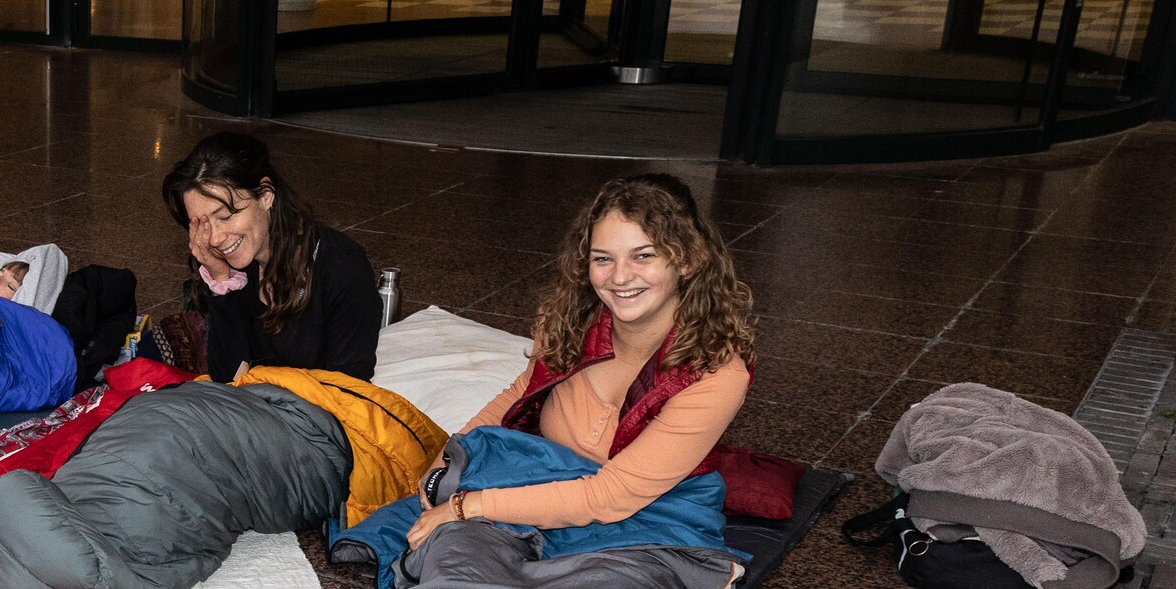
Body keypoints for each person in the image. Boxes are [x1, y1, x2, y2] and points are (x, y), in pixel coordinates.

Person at [404, 172, 755, 549]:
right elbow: (518, 395)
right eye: (603, 259)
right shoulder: (566, 323)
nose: (620, 277)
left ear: (686, 261)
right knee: (398, 532)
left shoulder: (717, 374)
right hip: (543, 482)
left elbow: (612, 495)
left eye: (644, 256)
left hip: (648, 518)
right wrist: (446, 462)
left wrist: (470, 506)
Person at [162, 132, 382, 383]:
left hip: (311, 415)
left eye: (224, 216)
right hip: (254, 410)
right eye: (202, 224)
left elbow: (347, 393)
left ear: (266, 195)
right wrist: (221, 281)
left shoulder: (341, 269)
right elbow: (226, 378)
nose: (215, 239)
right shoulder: (240, 264)